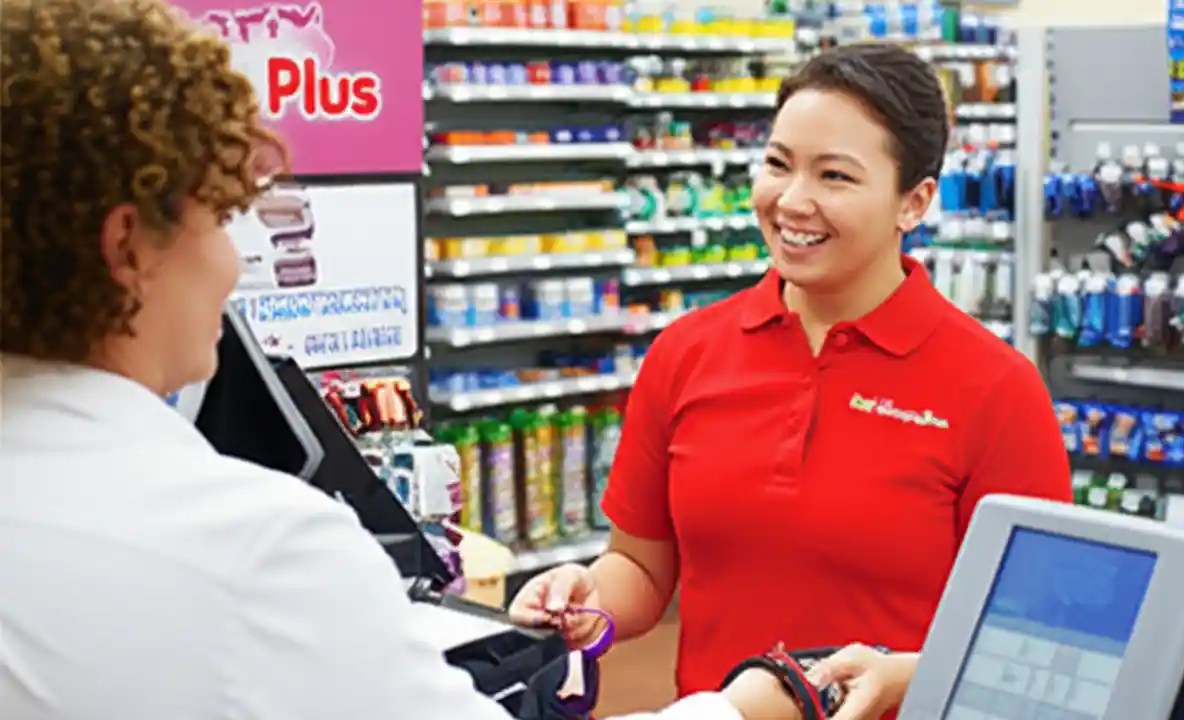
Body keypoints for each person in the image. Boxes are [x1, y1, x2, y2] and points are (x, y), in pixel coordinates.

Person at [0, 2, 861, 719]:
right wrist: (745, 705)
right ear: (128, 246)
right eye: (221, 221)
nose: (233, 265)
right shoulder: (257, 543)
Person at [510, 42, 1074, 718]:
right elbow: (642, 569)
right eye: (778, 164)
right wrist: (585, 599)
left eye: (835, 176)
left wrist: (907, 678)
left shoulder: (993, 388)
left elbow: (1039, 643)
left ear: (914, 202)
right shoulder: (685, 354)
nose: (792, 201)